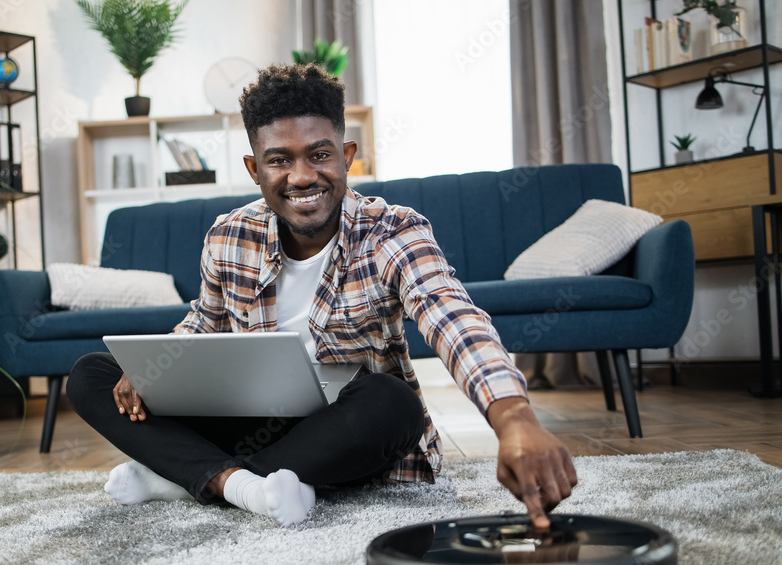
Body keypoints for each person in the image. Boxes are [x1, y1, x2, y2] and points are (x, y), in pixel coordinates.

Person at [66, 63, 577, 529]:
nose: (303, 176)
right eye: (279, 160)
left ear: (347, 155)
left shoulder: (393, 231)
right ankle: (242, 485)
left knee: (392, 401)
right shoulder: (228, 235)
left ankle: (188, 477)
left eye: (319, 155)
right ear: (254, 169)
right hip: (248, 422)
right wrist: (150, 369)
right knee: (94, 373)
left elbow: (452, 315)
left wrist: (513, 418)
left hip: (341, 432)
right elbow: (204, 324)